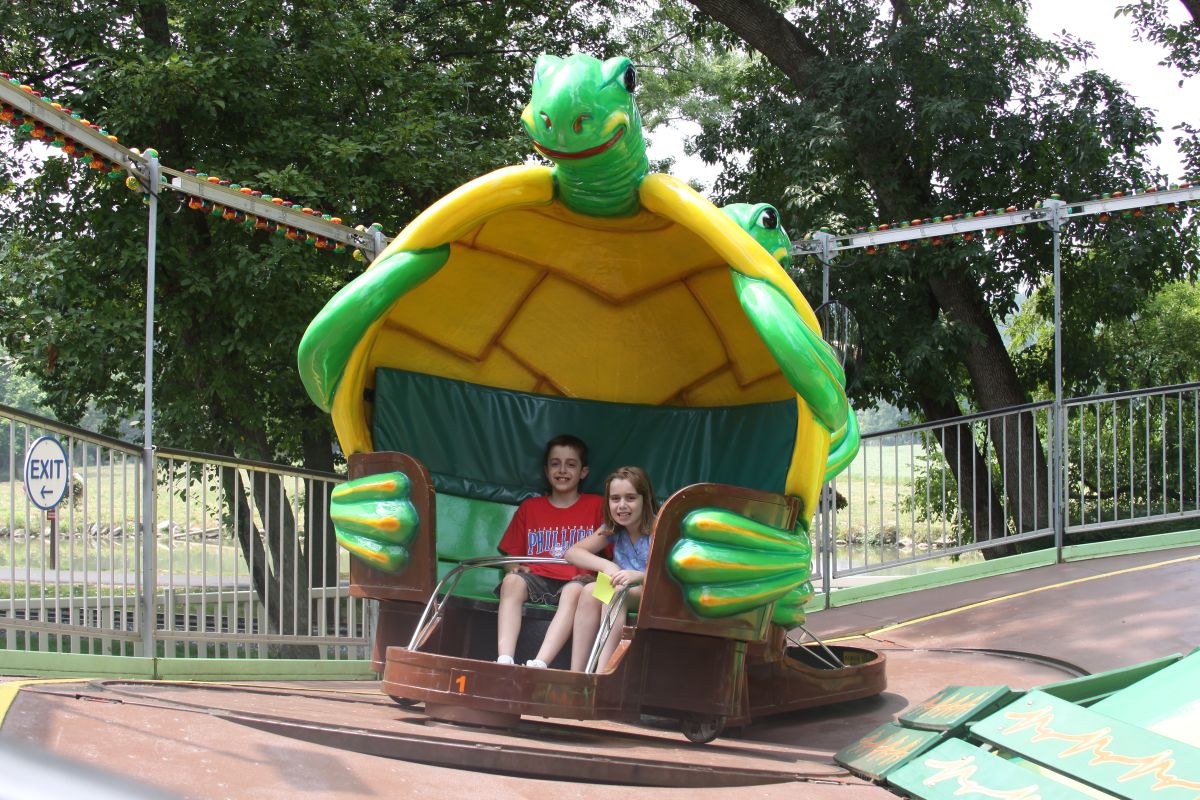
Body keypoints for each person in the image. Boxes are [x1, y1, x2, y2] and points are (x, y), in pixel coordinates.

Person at [495, 434, 603, 666]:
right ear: (546, 470)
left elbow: (613, 554)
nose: (562, 470)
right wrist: (513, 567)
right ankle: (504, 659)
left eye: (571, 464)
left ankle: (540, 662)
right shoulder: (530, 507)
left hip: (579, 581)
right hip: (539, 578)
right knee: (512, 582)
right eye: (555, 463)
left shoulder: (597, 505)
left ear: (583, 472)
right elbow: (511, 556)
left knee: (573, 591)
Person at [550, 466, 659, 672]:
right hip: (624, 588)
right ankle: (578, 673)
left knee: (615, 592)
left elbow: (673, 576)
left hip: (654, 591)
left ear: (645, 499)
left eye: (630, 498)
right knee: (590, 590)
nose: (622, 506)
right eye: (615, 499)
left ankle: (602, 674)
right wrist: (608, 565)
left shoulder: (659, 528)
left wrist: (641, 576)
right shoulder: (615, 529)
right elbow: (572, 553)